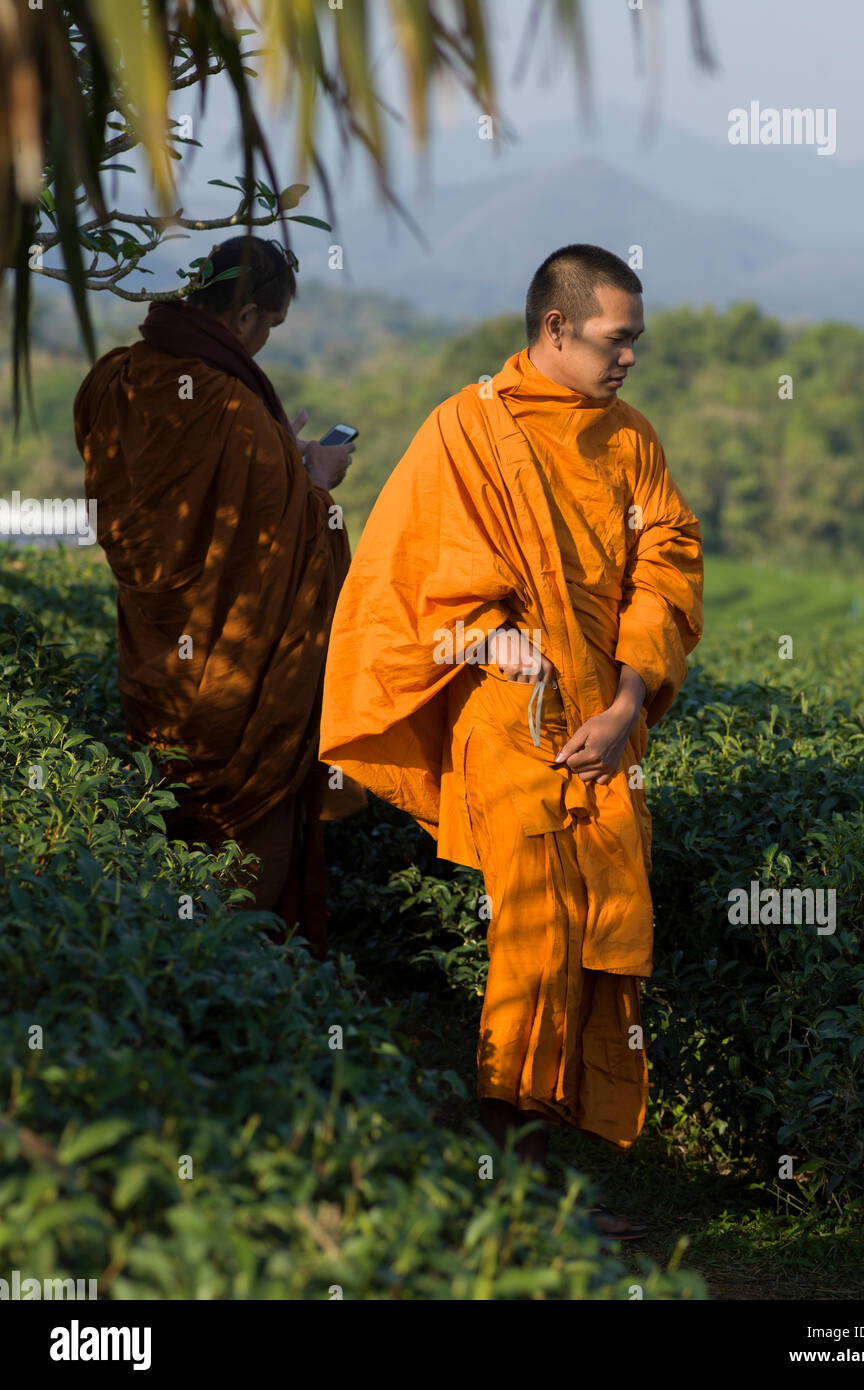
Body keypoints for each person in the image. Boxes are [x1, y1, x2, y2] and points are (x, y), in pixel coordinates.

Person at [318, 243, 703, 1235]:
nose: (628, 360)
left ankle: (548, 1179)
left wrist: (625, 705)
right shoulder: (467, 432)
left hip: (605, 731)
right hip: (514, 728)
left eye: (636, 343)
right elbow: (404, 586)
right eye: (615, 342)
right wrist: (490, 637)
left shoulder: (630, 443)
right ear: (555, 329)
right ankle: (514, 1186)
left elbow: (664, 568)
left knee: (594, 948)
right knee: (531, 946)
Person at [74, 234, 365, 957]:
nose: (265, 341)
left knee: (169, 825)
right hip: (235, 685)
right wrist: (316, 479)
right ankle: (236, 986)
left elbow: (147, 493)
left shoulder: (119, 376)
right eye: (269, 326)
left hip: (156, 659)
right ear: (244, 319)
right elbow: (297, 526)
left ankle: (179, 974)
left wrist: (278, 455)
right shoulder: (233, 408)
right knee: (246, 824)